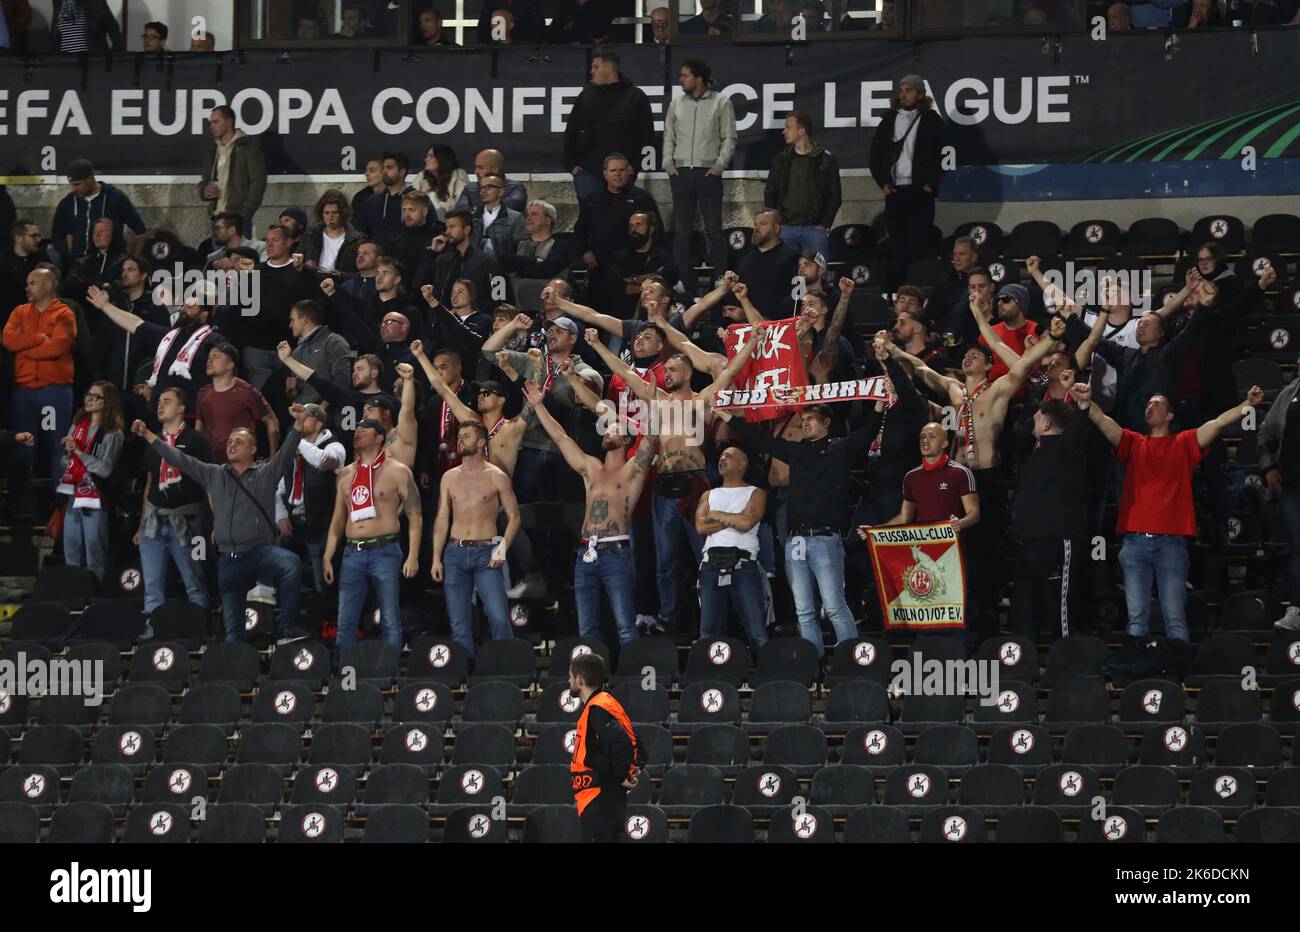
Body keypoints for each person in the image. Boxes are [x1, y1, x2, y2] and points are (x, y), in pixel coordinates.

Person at [586, 322, 761, 634]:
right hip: (664, 487)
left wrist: (750, 344)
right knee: (665, 563)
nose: (666, 374)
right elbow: (625, 374)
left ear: (688, 372)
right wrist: (599, 346)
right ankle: (668, 619)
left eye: (673, 369)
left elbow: (730, 372)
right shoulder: (658, 400)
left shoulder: (701, 400)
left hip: (696, 485)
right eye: (664, 369)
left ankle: (714, 618)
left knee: (706, 557)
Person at [1075, 382, 1266, 647]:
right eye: (1148, 404)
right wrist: (1086, 403)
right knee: (1136, 619)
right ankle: (1136, 675)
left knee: (1174, 617)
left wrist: (1246, 405)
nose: (1150, 407)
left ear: (1169, 415)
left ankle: (1177, 674)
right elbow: (1102, 421)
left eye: (1157, 404)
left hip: (1171, 544)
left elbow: (1219, 423)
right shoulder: (1133, 442)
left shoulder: (1184, 443)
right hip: (1135, 543)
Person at [134, 407, 310, 645]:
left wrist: (298, 425)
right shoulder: (214, 474)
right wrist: (148, 435)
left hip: (259, 552)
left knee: (290, 562)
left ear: (253, 449)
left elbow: (287, 451)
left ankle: (287, 627)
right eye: (230, 441)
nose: (232, 445)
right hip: (229, 559)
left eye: (239, 441)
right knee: (233, 632)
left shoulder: (266, 473)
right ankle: (234, 668)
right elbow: (179, 458)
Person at [725, 397, 877, 654]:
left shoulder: (841, 448)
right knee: (803, 610)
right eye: (803, 420)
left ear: (827, 422)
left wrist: (879, 407)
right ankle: (813, 663)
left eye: (810, 419)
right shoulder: (797, 451)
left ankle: (854, 660)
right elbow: (762, 441)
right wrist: (729, 418)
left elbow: (867, 433)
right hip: (795, 540)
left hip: (825, 538)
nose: (804, 424)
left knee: (833, 606)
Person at [525, 378, 657, 646]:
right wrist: (538, 406)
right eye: (607, 429)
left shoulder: (632, 470)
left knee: (624, 625)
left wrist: (651, 403)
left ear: (627, 439)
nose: (608, 432)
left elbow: (651, 438)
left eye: (615, 429)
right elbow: (560, 437)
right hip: (586, 552)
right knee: (586, 628)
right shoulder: (591, 468)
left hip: (616, 551)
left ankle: (630, 682)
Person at [322, 416, 421, 651]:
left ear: (378, 438)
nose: (357, 432)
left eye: (363, 429)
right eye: (356, 429)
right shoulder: (345, 474)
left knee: (389, 617)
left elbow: (415, 516)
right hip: (352, 551)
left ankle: (390, 672)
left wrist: (413, 555)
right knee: (346, 618)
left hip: (384, 550)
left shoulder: (399, 471)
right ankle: (343, 673)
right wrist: (328, 555)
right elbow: (338, 519)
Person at [431, 421, 521, 659]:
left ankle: (507, 668)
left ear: (481, 442)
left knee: (499, 617)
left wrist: (502, 548)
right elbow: (442, 519)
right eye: (459, 436)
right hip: (454, 552)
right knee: (459, 624)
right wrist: (435, 558)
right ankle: (466, 677)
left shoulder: (497, 476)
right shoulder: (448, 477)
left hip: (486, 553)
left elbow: (514, 518)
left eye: (467, 436)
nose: (460, 440)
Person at [1010, 397, 1089, 641]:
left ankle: (1067, 659)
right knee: (1029, 602)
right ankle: (1027, 659)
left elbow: (1076, 433)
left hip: (1058, 540)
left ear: (1046, 425)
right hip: (1031, 541)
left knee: (1061, 604)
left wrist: (1082, 408)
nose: (1028, 423)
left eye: (1035, 418)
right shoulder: (1035, 452)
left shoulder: (1066, 448)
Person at [4, 266, 76, 522]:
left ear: (48, 286)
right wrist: (39, 339)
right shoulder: (19, 311)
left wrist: (26, 348)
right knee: (22, 448)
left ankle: (62, 510)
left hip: (54, 392)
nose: (27, 288)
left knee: (58, 449)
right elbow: (8, 340)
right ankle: (19, 506)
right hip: (24, 393)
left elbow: (58, 347)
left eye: (32, 283)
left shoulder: (65, 313)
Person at [86, 281, 220, 414]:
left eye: (191, 307)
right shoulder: (168, 336)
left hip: (189, 415)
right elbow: (135, 323)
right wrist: (105, 306)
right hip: (159, 412)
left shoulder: (213, 341)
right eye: (184, 305)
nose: (183, 309)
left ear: (204, 315)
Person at [136, 386, 212, 619]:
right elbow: (149, 482)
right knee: (151, 589)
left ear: (181, 408)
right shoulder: (152, 442)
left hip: (189, 523)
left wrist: (215, 522)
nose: (160, 405)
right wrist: (140, 525)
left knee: (195, 584)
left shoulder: (196, 440)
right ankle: (153, 634)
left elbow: (210, 482)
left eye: (167, 401)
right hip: (153, 523)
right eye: (159, 401)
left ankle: (200, 628)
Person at [664, 59, 736, 286]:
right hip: (681, 173)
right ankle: (684, 279)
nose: (681, 79)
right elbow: (668, 136)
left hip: (708, 174)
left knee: (714, 229)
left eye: (685, 75)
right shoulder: (676, 103)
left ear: (699, 78)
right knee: (681, 231)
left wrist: (718, 166)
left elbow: (729, 137)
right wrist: (668, 164)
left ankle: (720, 276)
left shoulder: (721, 102)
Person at [869, 75, 943, 290]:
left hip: (921, 192)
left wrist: (930, 185)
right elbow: (875, 156)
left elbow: (941, 156)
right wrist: (883, 185)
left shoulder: (931, 120)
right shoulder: (889, 120)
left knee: (920, 242)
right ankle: (899, 290)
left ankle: (918, 290)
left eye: (909, 90)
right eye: (901, 90)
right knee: (897, 245)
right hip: (895, 192)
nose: (904, 94)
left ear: (920, 94)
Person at [695, 445, 768, 649]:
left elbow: (747, 524)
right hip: (710, 566)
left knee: (757, 632)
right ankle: (709, 676)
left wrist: (716, 515)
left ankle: (765, 675)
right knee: (708, 633)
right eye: (721, 456)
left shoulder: (756, 493)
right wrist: (736, 518)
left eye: (728, 456)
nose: (722, 459)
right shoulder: (708, 495)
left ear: (742, 463)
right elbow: (701, 526)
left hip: (743, 565)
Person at [273, 401, 345, 598]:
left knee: (321, 579)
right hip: (293, 525)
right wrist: (280, 515)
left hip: (321, 524)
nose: (300, 420)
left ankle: (324, 618)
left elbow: (323, 462)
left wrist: (297, 440)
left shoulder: (335, 446)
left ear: (319, 423)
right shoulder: (292, 450)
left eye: (306, 417)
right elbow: (278, 488)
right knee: (288, 578)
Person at [563, 49, 654, 202]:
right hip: (587, 172)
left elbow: (646, 136)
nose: (592, 71)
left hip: (621, 172)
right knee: (590, 220)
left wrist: (635, 165)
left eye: (595, 67)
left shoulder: (636, 97)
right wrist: (571, 165)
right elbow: (571, 131)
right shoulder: (585, 95)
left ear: (609, 69)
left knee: (620, 218)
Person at [568, 652, 640, 844]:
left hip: (599, 799)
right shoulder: (605, 702)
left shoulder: (598, 708)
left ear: (580, 680)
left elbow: (622, 743)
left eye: (571, 677)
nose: (569, 681)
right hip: (602, 798)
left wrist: (620, 777)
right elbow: (635, 743)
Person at [58, 380, 123, 581]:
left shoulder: (113, 433)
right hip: (74, 494)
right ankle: (73, 591)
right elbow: (64, 462)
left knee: (94, 547)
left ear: (107, 402)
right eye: (88, 395)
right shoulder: (78, 425)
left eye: (96, 397)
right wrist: (69, 455)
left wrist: (78, 452)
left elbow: (104, 469)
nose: (89, 399)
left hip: (96, 496)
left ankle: (95, 592)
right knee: (70, 544)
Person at [764, 112, 841, 260]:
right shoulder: (780, 159)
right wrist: (776, 223)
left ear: (801, 130)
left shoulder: (826, 159)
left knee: (816, 278)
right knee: (783, 276)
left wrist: (824, 224)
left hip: (814, 230)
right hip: (785, 229)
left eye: (788, 127)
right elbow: (770, 192)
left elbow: (835, 195)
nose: (784, 131)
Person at [572, 154, 660, 280]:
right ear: (605, 173)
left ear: (629, 171)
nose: (618, 174)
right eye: (613, 170)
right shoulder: (593, 199)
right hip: (600, 265)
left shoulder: (643, 198)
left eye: (622, 170)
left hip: (634, 267)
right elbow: (580, 231)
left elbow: (657, 231)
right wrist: (585, 252)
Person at [1261, 357, 1300, 631]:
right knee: (1298, 547)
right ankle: (1296, 609)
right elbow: (1266, 431)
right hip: (1292, 485)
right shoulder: (1289, 393)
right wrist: (1269, 467)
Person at [196, 343, 280, 466]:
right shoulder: (203, 394)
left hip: (240, 467)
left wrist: (273, 459)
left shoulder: (246, 392)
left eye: (216, 356)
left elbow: (272, 422)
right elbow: (199, 429)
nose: (209, 360)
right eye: (209, 357)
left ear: (230, 365)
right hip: (212, 467)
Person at [52, 159, 145, 264]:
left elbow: (140, 232)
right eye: (72, 184)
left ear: (90, 179)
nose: (74, 189)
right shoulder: (68, 202)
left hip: (111, 264)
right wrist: (71, 258)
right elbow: (65, 233)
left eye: (78, 184)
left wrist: (132, 263)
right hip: (79, 265)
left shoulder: (115, 197)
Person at [198, 106, 267, 226]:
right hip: (216, 217)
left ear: (229, 122)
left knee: (240, 245)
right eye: (211, 122)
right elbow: (205, 180)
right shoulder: (213, 150)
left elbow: (258, 181)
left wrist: (246, 211)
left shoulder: (247, 148)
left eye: (216, 122)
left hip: (238, 217)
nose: (211, 126)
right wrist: (205, 191)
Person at [420, 210, 500, 309]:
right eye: (447, 227)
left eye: (452, 227)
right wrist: (432, 253)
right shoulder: (442, 260)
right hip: (442, 320)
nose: (447, 232)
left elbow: (499, 296)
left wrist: (474, 315)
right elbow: (419, 285)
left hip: (474, 322)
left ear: (466, 229)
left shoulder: (488, 261)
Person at [734, 209, 801, 320]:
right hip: (745, 322)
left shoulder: (792, 256)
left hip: (778, 323)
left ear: (777, 228)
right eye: (755, 225)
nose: (756, 229)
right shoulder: (745, 256)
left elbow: (799, 294)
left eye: (763, 224)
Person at [284, 299, 353, 405]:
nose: (290, 325)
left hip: (325, 415)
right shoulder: (296, 351)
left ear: (304, 320)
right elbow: (294, 395)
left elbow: (341, 386)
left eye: (293, 320)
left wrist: (321, 410)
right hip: (301, 414)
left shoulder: (334, 341)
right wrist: (291, 390)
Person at [500, 199, 571, 282]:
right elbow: (503, 262)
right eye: (527, 215)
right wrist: (534, 260)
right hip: (514, 292)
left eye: (534, 214)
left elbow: (546, 270)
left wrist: (517, 266)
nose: (528, 218)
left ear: (548, 220)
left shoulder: (561, 246)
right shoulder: (517, 243)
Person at [356, 151, 414, 249]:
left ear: (402, 172)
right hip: (378, 261)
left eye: (389, 168)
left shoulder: (418, 200)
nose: (384, 172)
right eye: (383, 168)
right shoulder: (371, 202)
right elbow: (359, 233)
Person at [302, 190, 364, 274]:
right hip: (314, 279)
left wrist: (341, 275)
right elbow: (298, 257)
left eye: (334, 213)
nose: (330, 217)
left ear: (342, 214)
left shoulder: (356, 240)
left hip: (341, 283)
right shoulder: (311, 234)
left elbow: (359, 271)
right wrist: (305, 265)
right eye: (326, 213)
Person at [469, 173, 526, 260]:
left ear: (501, 191)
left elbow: (520, 249)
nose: (483, 191)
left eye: (488, 187)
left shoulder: (515, 218)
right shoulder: (472, 218)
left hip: (504, 269)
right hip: (476, 269)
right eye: (481, 188)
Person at [454, 148, 529, 214]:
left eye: (481, 168)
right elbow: (461, 212)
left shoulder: (515, 188)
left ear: (495, 170)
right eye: (476, 167)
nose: (476, 172)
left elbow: (513, 206)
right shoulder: (470, 189)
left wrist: (476, 209)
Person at [416, 143, 469, 220]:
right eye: (427, 156)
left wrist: (437, 205)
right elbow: (413, 202)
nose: (426, 159)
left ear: (442, 158)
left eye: (431, 156)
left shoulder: (458, 174)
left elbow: (462, 206)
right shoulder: (421, 177)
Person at [52, 0, 122, 52]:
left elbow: (114, 30)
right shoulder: (59, 3)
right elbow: (56, 36)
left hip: (91, 64)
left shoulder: (95, 2)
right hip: (65, 64)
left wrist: (109, 60)